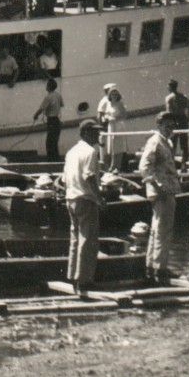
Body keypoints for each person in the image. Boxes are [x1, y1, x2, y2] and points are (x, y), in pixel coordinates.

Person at [63, 120, 106, 299]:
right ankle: (84, 280)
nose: (98, 136)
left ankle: (73, 276)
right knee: (88, 240)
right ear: (86, 133)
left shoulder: (71, 152)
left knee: (75, 239)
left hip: (71, 198)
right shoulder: (90, 152)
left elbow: (65, 178)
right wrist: (100, 198)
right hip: (85, 199)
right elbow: (89, 177)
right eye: (95, 133)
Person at [139, 112, 181, 285]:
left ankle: (152, 266)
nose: (170, 128)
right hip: (162, 193)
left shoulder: (165, 142)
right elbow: (144, 166)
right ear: (159, 125)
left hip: (166, 191)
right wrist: (157, 186)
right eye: (167, 125)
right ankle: (160, 270)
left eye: (172, 125)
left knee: (157, 230)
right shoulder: (155, 141)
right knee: (163, 231)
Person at [97, 84, 128, 169]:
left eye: (115, 94)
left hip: (118, 126)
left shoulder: (120, 104)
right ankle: (113, 164)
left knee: (119, 147)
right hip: (111, 126)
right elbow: (105, 114)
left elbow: (124, 115)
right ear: (109, 95)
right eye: (112, 94)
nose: (114, 96)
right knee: (112, 146)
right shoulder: (108, 103)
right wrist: (107, 117)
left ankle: (117, 166)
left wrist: (115, 119)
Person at [33, 78, 64, 160]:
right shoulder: (58, 95)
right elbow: (61, 105)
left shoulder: (48, 97)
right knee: (55, 142)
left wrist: (35, 115)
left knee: (49, 143)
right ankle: (56, 160)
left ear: (49, 87)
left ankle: (51, 160)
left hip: (51, 121)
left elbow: (42, 108)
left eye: (47, 85)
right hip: (57, 120)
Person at [164, 79, 189, 163]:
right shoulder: (184, 97)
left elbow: (168, 112)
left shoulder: (168, 98)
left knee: (172, 143)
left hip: (173, 120)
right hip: (183, 119)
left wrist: (167, 123)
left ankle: (172, 162)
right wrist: (188, 119)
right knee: (184, 143)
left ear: (169, 87)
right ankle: (184, 163)